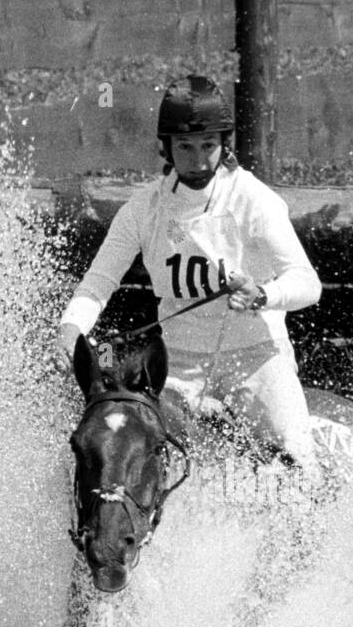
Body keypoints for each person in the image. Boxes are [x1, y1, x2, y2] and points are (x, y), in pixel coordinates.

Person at [55, 73, 324, 484]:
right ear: (165, 147)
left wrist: (263, 294)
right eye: (185, 147)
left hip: (254, 358)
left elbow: (307, 283)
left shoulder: (254, 201)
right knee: (120, 453)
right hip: (174, 365)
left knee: (299, 465)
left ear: (224, 146)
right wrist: (71, 331)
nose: (198, 161)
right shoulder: (144, 209)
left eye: (208, 147)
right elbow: (97, 284)